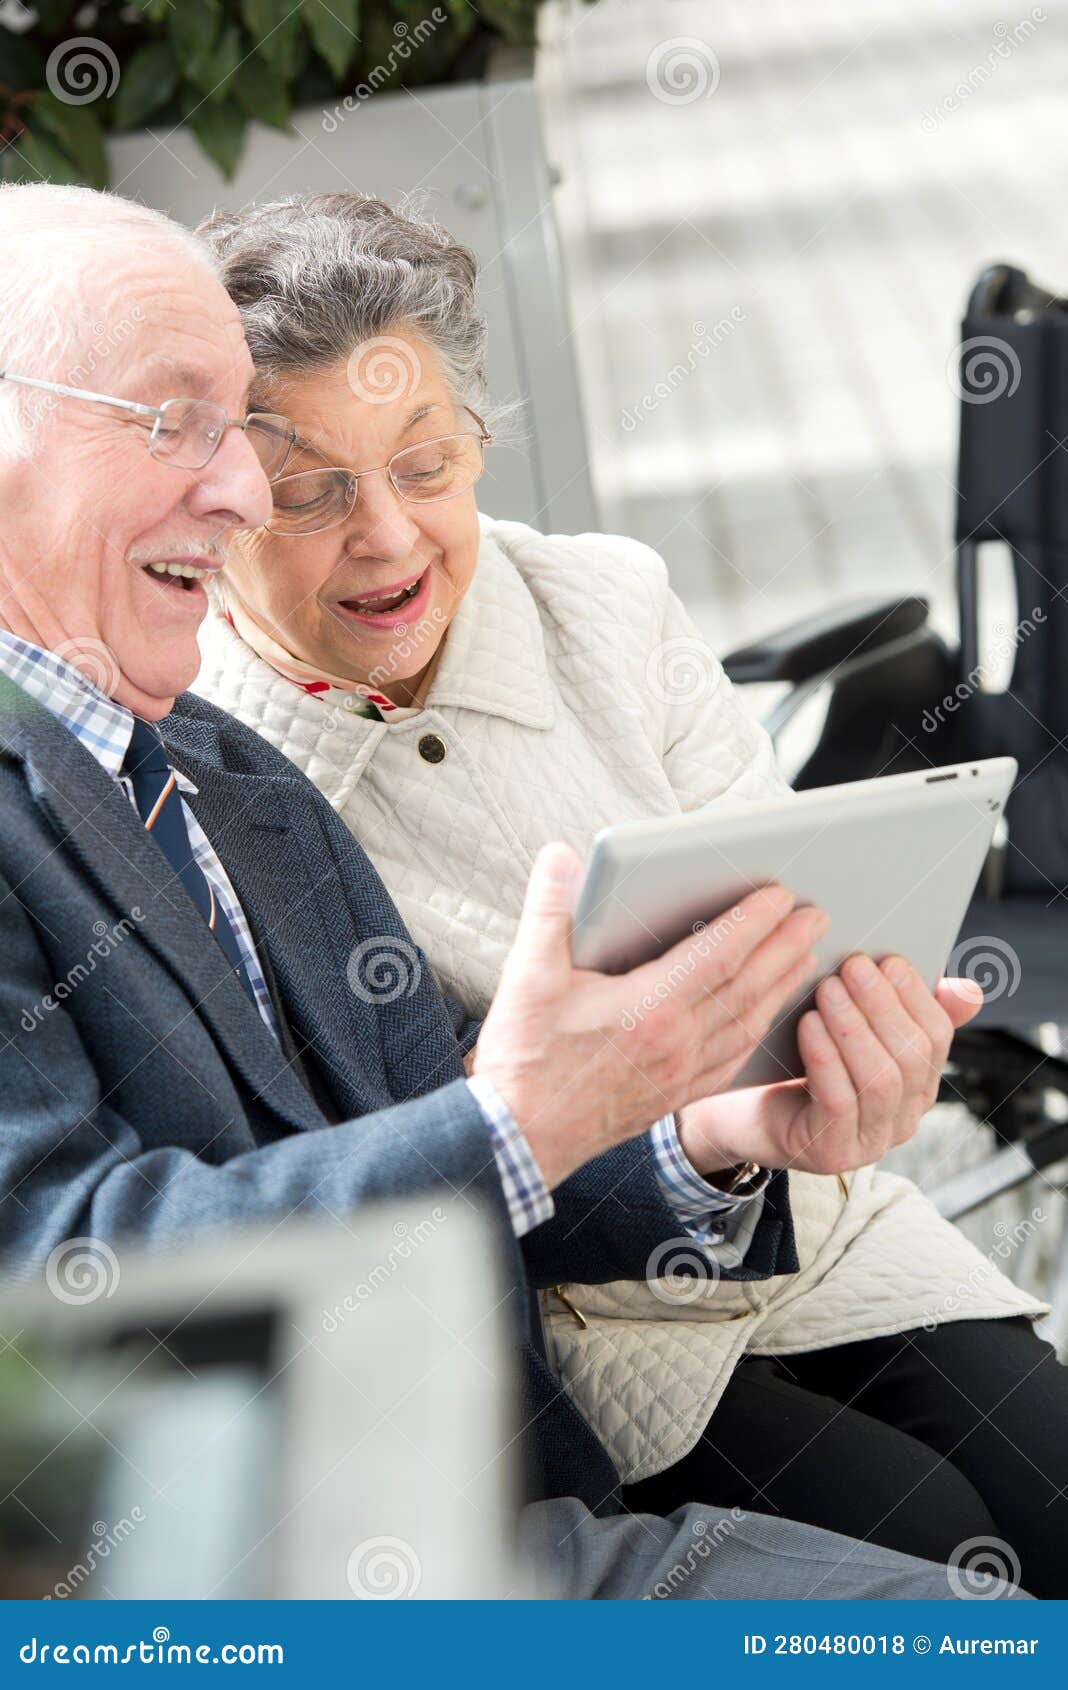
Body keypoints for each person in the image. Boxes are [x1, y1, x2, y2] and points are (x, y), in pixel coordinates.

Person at [0, 182, 1023, 1604]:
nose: (237, 491)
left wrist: (713, 1136)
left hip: (475, 1470)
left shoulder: (219, 774)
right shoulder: (208, 747)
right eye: (183, 426)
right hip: (255, 1563)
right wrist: (522, 1117)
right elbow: (56, 1300)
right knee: (957, 1605)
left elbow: (435, 1125)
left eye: (235, 433)